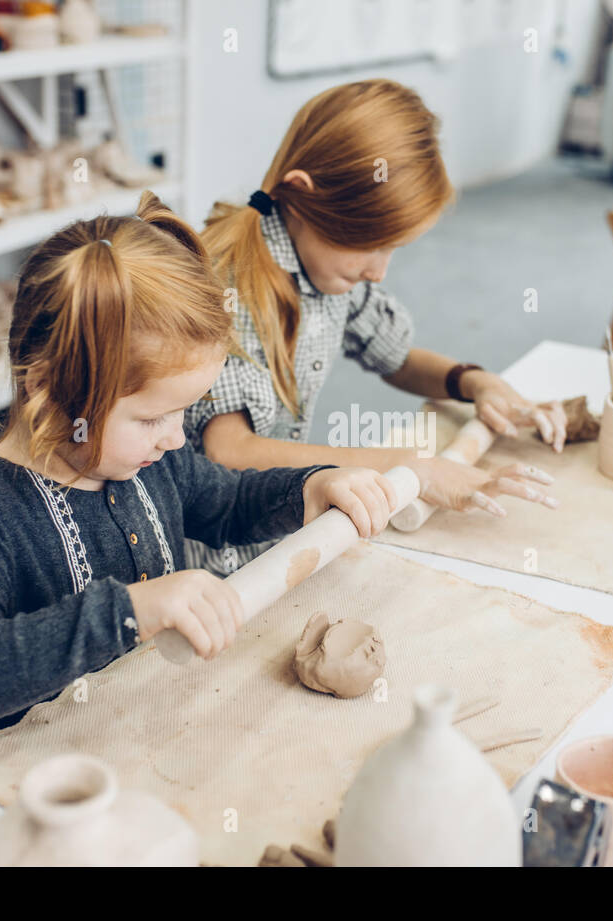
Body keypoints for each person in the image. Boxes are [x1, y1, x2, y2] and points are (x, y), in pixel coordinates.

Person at [0, 192, 398, 731]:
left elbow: (227, 503)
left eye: (184, 412)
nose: (174, 437)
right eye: (151, 419)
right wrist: (132, 609)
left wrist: (311, 487)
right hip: (53, 777)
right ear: (49, 392)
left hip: (154, 729)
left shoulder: (150, 462)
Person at [186, 79, 567, 575]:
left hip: (282, 522)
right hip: (216, 559)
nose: (379, 272)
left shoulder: (322, 261)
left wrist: (475, 382)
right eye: (369, 245)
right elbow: (230, 450)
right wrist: (408, 468)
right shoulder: (227, 287)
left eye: (391, 249)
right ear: (302, 195)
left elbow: (398, 357)